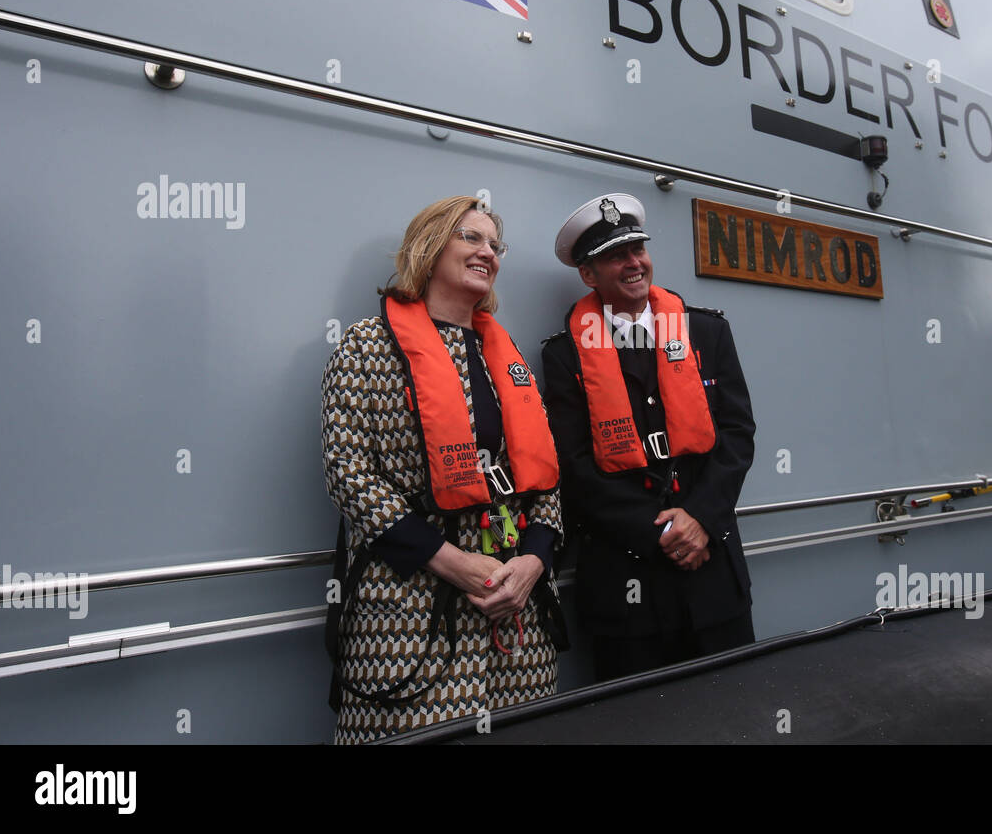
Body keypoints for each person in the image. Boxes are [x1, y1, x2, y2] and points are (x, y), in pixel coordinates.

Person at [321, 195, 565, 744]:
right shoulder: (367, 348)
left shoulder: (508, 358)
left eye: (496, 245)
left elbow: (545, 478)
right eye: (472, 238)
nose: (489, 252)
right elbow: (347, 470)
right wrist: (452, 563)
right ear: (430, 248)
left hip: (513, 616)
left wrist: (533, 563)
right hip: (408, 620)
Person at [541, 193, 756, 681]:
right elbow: (572, 465)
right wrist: (660, 532)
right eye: (616, 255)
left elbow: (738, 435)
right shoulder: (564, 356)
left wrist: (700, 519)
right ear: (589, 275)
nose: (634, 262)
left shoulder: (706, 331)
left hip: (713, 576)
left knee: (736, 712)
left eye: (638, 249)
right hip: (626, 590)